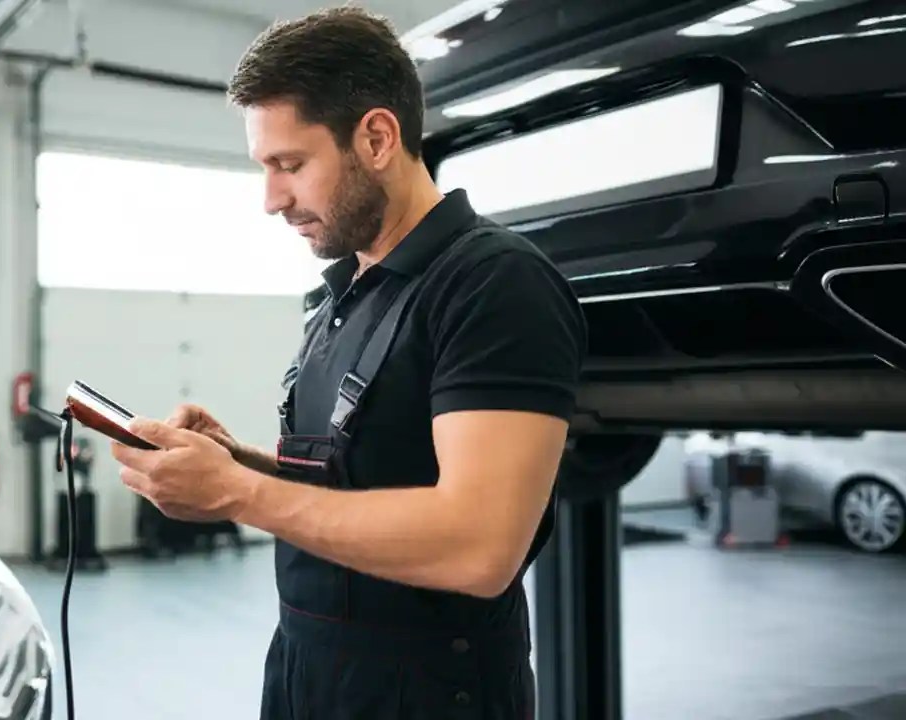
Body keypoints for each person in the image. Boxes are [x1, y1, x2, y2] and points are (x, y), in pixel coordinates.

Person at [110, 6, 587, 719]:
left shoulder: (494, 284)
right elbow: (363, 483)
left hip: (429, 696)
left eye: (290, 165)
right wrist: (234, 462)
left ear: (376, 137)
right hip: (309, 675)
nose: (271, 200)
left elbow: (480, 546)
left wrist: (235, 496)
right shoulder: (341, 296)